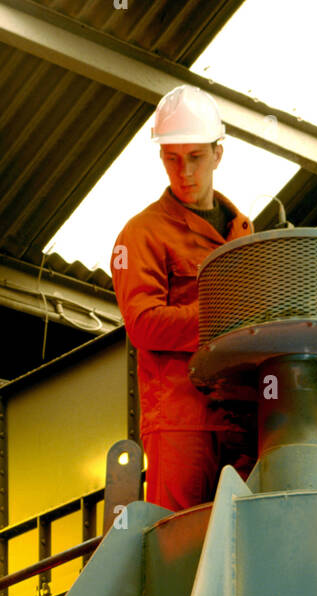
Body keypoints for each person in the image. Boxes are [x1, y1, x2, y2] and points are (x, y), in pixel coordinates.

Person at [112, 84, 256, 512]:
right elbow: (142, 323)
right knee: (178, 548)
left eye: (195, 157)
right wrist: (224, 319)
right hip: (182, 421)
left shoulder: (244, 233)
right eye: (172, 158)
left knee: (248, 546)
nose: (184, 171)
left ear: (218, 154)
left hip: (245, 415)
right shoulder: (142, 234)